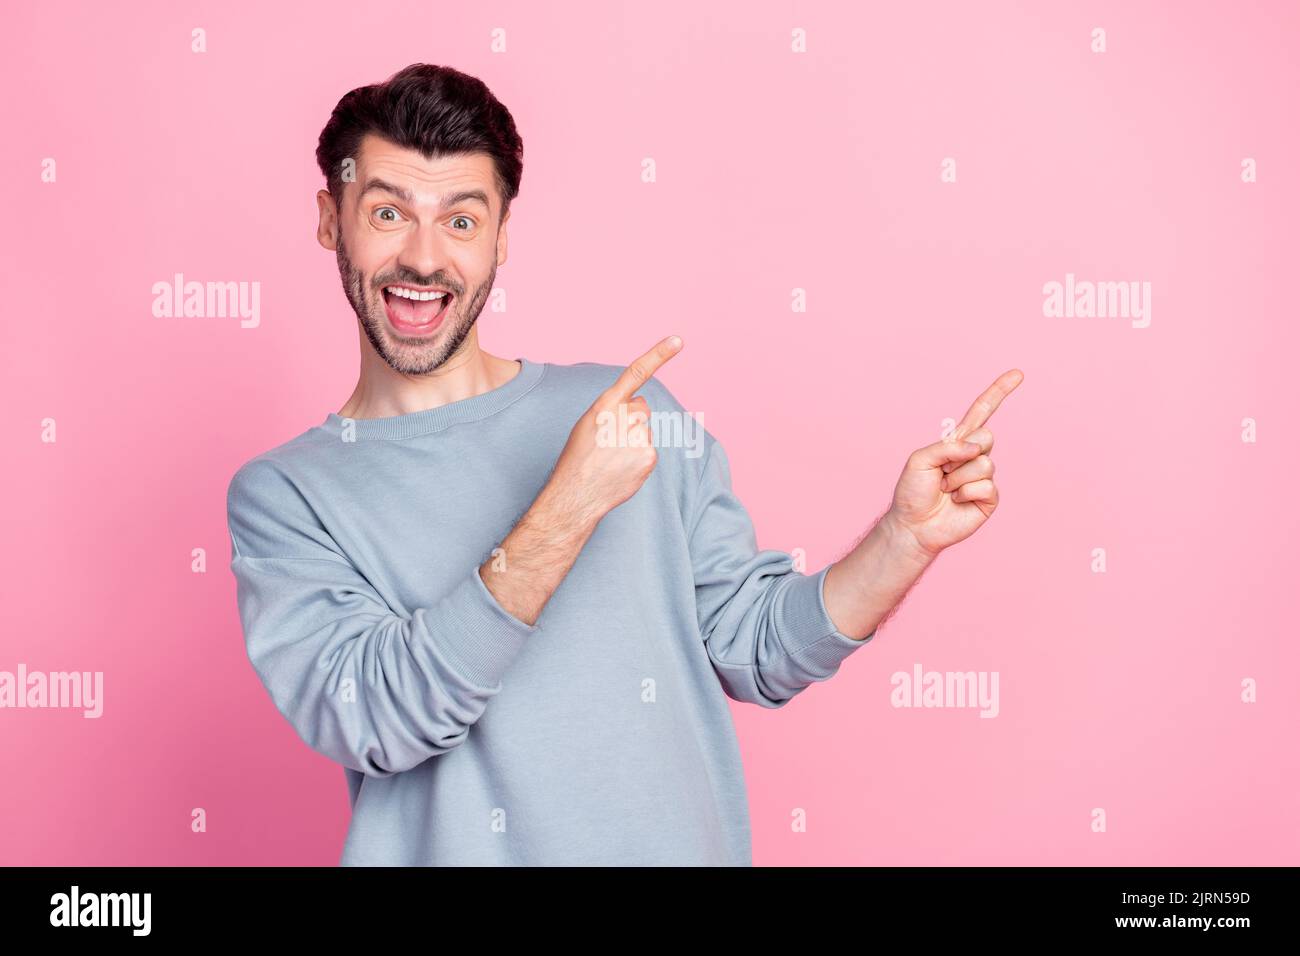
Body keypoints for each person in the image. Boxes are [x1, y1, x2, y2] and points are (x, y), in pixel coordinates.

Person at [226, 63, 1022, 866]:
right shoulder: (288, 495)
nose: (425, 259)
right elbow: (380, 718)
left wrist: (901, 543)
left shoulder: (626, 413)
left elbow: (756, 650)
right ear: (332, 220)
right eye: (389, 212)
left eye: (462, 221)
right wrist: (567, 507)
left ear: (501, 235)